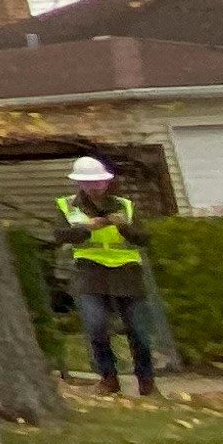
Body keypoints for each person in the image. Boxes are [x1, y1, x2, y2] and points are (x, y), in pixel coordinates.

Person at [57, 156, 163, 396]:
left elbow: (143, 239)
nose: (94, 187)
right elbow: (60, 235)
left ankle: (147, 382)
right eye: (88, 182)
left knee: (138, 331)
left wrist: (123, 226)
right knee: (96, 327)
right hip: (89, 273)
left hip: (127, 275)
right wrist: (85, 229)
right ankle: (108, 379)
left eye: (98, 182)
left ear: (106, 182)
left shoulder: (124, 206)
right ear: (79, 183)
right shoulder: (68, 206)